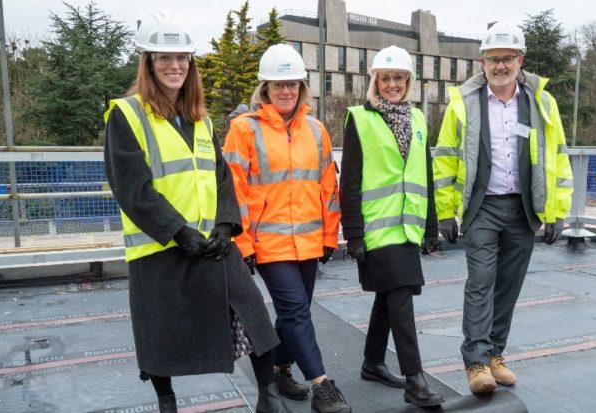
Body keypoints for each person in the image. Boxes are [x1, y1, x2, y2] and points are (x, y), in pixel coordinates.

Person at [103, 12, 288, 413]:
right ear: (149, 63)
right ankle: (166, 403)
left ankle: (268, 397)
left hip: (213, 245)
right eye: (164, 58)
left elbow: (221, 177)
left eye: (182, 58)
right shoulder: (127, 115)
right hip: (161, 248)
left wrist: (226, 224)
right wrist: (178, 232)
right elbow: (132, 190)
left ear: (191, 64)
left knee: (254, 315)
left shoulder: (200, 119)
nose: (175, 66)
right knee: (160, 337)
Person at [432, 21, 573, 394]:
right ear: (482, 62)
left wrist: (557, 211)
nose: (500, 66)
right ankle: (476, 362)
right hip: (483, 207)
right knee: (480, 283)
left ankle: (496, 354)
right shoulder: (465, 102)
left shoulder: (541, 102)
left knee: (509, 285)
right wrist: (445, 211)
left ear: (520, 59)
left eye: (507, 58)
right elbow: (445, 158)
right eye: (493, 59)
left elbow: (557, 158)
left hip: (523, 208)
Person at [222, 44, 349, 413]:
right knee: (295, 312)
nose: (286, 91)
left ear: (302, 87)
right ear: (264, 88)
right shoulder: (244, 129)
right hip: (268, 244)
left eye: (292, 83)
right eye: (278, 84)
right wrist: (242, 244)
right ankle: (323, 387)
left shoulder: (316, 129)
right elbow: (234, 191)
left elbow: (328, 187)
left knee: (296, 312)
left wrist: (329, 236)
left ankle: (279, 369)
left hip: (310, 242)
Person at [339, 45, 445, 408]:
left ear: (408, 81)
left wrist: (431, 227)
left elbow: (425, 175)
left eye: (398, 78)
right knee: (401, 298)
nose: (392, 84)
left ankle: (372, 362)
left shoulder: (418, 119)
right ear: (375, 82)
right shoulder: (359, 118)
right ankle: (415, 380)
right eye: (385, 78)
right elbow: (349, 181)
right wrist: (352, 234)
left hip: (408, 228)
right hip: (375, 230)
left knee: (390, 296)